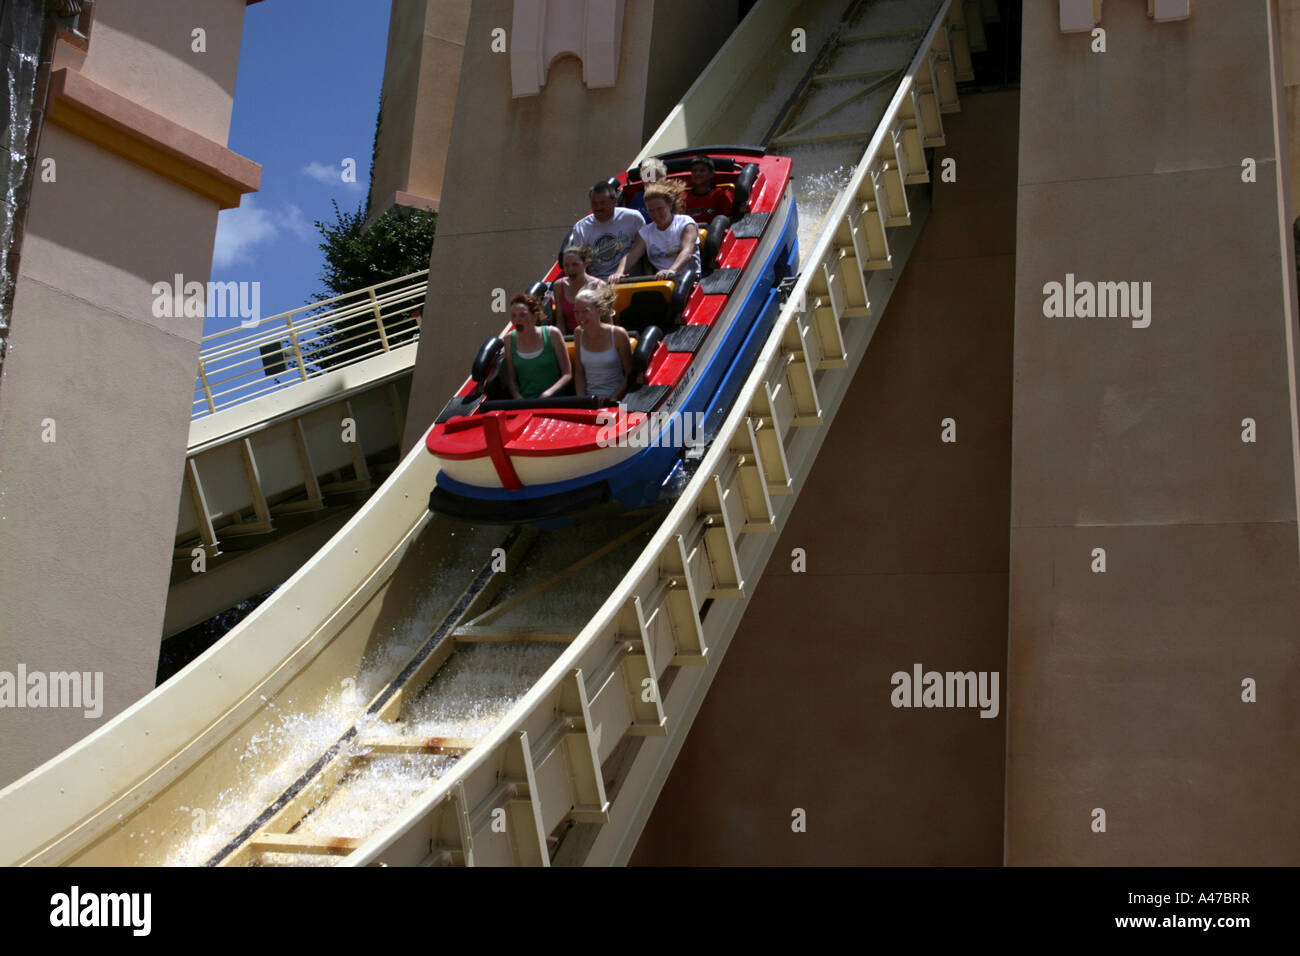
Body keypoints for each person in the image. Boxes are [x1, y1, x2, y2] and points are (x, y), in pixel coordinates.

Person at [611, 180, 700, 281]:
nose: (656, 214)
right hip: (662, 283)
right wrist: (618, 273)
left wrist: (671, 271)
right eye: (651, 211)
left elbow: (687, 252)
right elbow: (631, 256)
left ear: (669, 205)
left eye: (660, 209)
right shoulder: (645, 232)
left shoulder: (686, 223)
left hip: (688, 281)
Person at [570, 181, 644, 279]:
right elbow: (580, 263)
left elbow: (641, 247)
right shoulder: (581, 228)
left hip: (631, 279)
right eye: (594, 203)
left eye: (602, 203)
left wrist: (619, 273)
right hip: (599, 282)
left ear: (614, 202)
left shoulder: (633, 218)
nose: (598, 207)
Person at [572, 282, 632, 403]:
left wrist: (612, 397)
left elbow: (630, 374)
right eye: (576, 312)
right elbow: (579, 373)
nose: (580, 317)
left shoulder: (618, 334)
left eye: (585, 311)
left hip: (617, 400)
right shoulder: (578, 333)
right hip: (590, 401)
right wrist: (582, 400)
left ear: (599, 311)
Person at [504, 293, 572, 399]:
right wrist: (518, 397)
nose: (517, 319)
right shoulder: (509, 340)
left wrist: (547, 394)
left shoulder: (553, 334)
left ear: (535, 316)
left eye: (522, 315)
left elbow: (567, 374)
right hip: (526, 404)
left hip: (554, 401)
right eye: (514, 315)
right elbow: (512, 380)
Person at [551, 244, 600, 334]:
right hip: (571, 336)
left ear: (586, 263)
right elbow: (560, 321)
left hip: (595, 335)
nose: (570, 269)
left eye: (575, 265)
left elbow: (606, 322)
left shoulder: (599, 286)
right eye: (566, 265)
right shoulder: (558, 286)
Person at [682, 155, 733, 224]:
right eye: (694, 171)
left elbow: (730, 218)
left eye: (702, 170)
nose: (697, 174)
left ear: (711, 174)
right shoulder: (683, 197)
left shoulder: (721, 194)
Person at [627, 157, 668, 223]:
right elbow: (629, 220)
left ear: (663, 180)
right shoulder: (637, 198)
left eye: (655, 180)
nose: (651, 183)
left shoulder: (668, 197)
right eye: (647, 180)